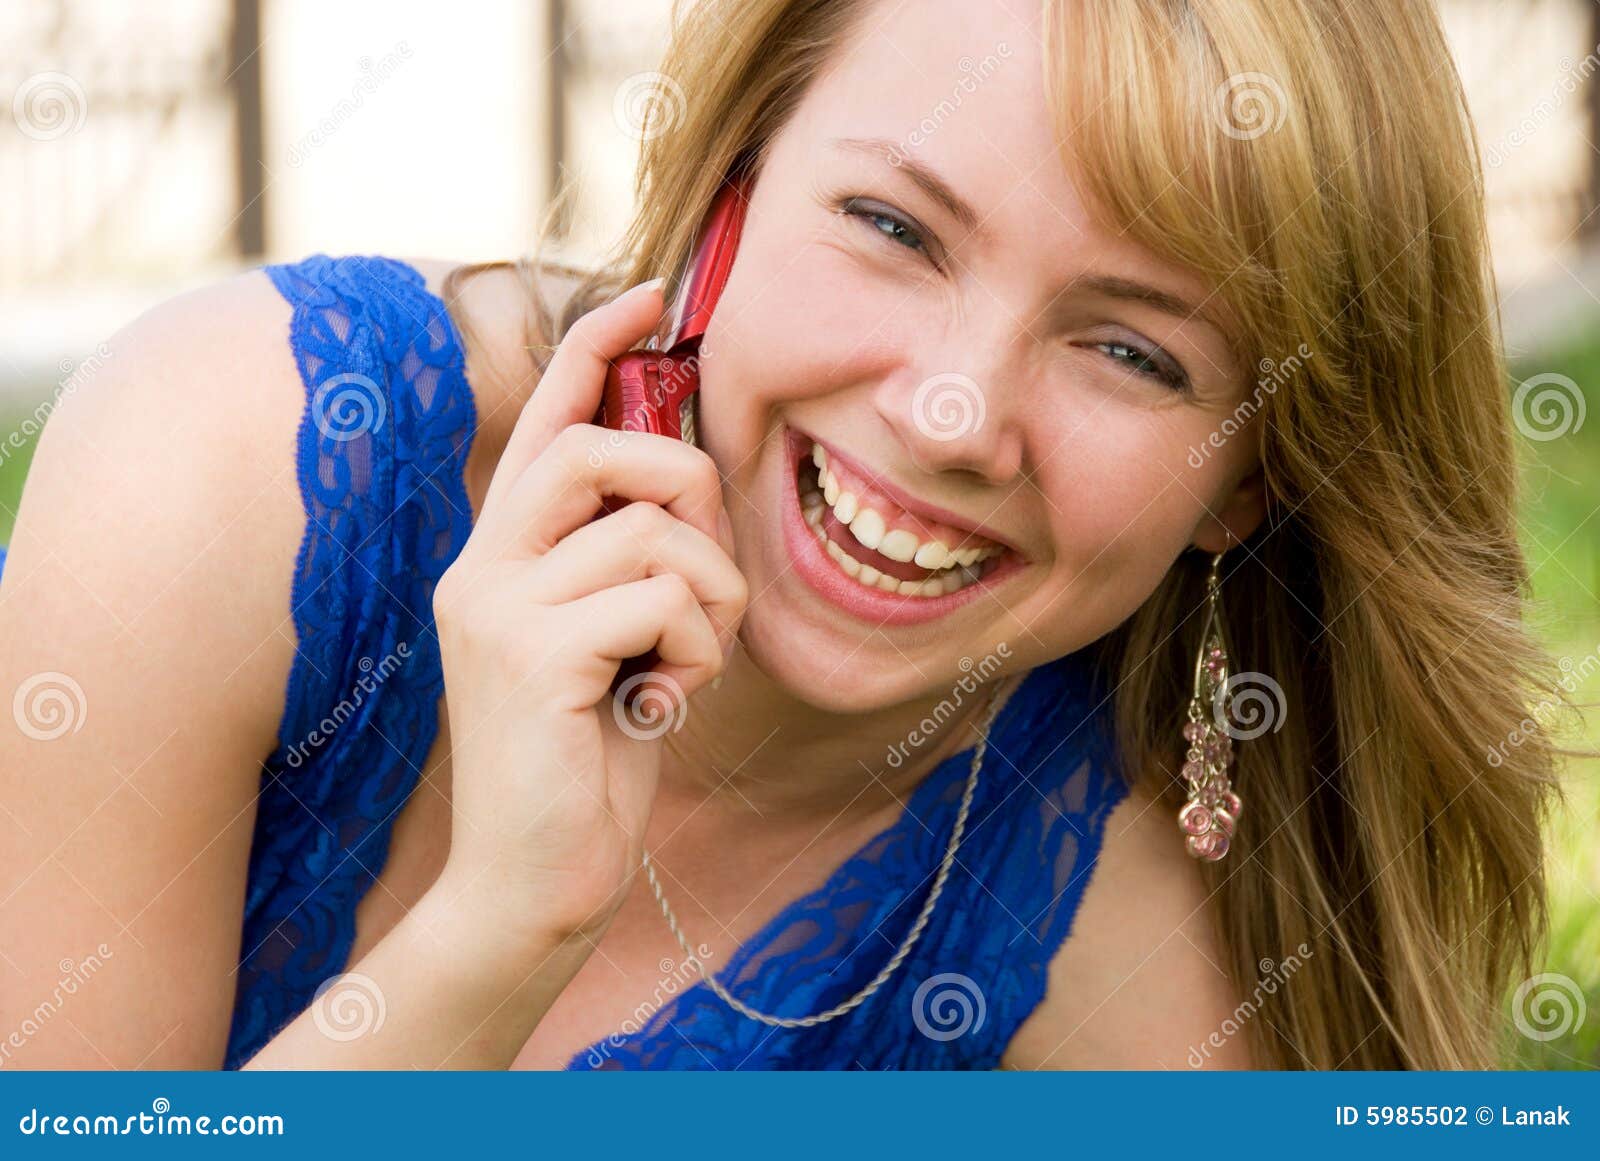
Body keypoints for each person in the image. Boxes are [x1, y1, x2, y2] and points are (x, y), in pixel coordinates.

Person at [0, 0, 1567, 1070]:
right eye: (894, 227)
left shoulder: (1122, 936)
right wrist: (496, 927)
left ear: (1248, 475)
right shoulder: (244, 463)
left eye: (1133, 350)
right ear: (724, 190)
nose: (955, 414)